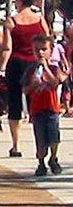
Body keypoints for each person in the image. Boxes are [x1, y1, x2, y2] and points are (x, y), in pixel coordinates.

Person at [0, 0, 53, 158]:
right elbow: (47, 42)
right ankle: (41, 144)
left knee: (14, 104)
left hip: (16, 64)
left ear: (20, 0)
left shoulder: (11, 21)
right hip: (35, 63)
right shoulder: (40, 19)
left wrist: (1, 68)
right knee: (36, 104)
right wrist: (46, 62)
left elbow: (7, 48)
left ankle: (16, 145)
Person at [27, 34, 65, 176]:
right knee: (40, 139)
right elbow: (25, 89)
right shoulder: (31, 69)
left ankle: (53, 158)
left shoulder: (54, 68)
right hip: (37, 109)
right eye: (37, 50)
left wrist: (45, 68)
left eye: (44, 49)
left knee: (54, 137)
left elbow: (55, 83)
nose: (40, 53)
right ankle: (41, 162)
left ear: (51, 50)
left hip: (52, 108)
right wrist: (32, 85)